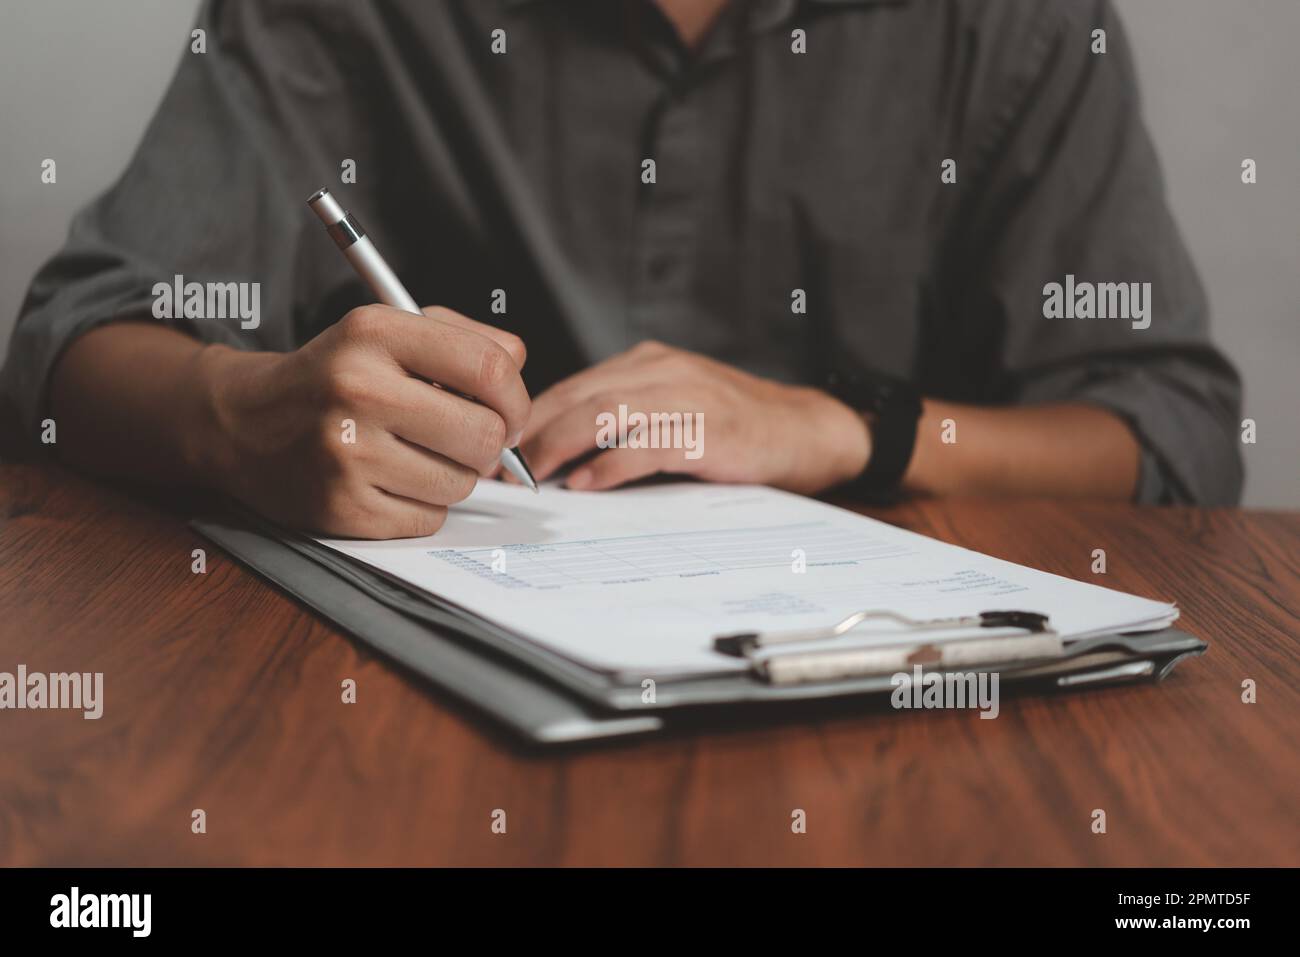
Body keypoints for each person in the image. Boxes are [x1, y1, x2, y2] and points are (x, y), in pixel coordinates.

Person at [1, 0, 1243, 538]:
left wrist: (848, 431)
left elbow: (1173, 436)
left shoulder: (1007, 26)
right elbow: (67, 355)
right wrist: (243, 418)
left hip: (895, 710)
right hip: (408, 705)